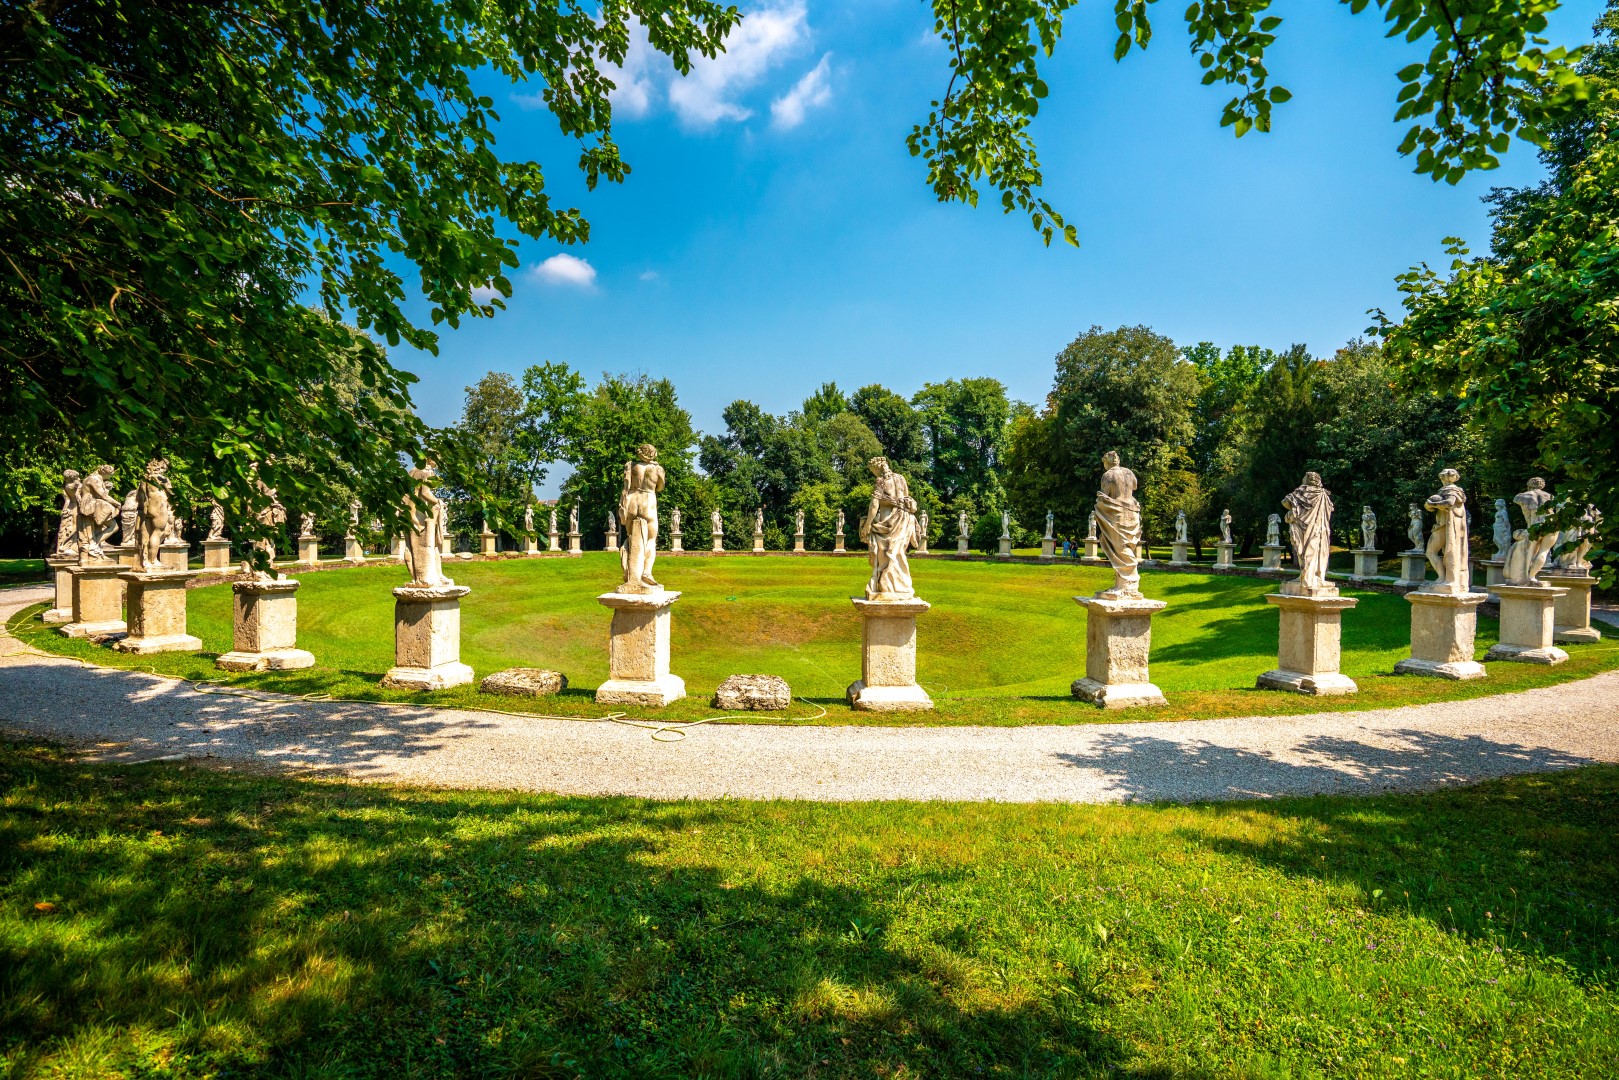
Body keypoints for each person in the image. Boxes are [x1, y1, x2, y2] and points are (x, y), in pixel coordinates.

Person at [859, 456, 918, 600]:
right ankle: (901, 585)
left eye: (872, 470)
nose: (872, 473)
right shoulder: (901, 478)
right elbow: (906, 498)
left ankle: (885, 585)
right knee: (897, 553)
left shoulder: (880, 481)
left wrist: (867, 525)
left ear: (877, 468)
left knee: (885, 553)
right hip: (904, 519)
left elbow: (874, 506)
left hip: (888, 522)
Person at [619, 443, 665, 591]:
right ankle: (646, 572)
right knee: (651, 540)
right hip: (648, 501)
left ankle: (630, 573)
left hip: (632, 502)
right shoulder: (658, 469)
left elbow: (627, 485)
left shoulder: (632, 467)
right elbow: (660, 487)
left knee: (631, 537)